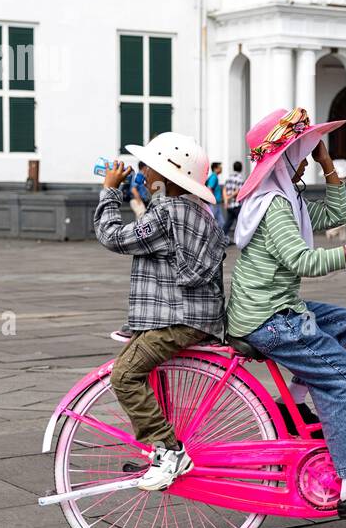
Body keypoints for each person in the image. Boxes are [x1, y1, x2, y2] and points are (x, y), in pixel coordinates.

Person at [225, 107, 346, 519]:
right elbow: (303, 261)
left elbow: (336, 217)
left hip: (278, 308)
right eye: (302, 152)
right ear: (285, 158)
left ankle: (292, 408)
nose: (307, 158)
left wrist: (329, 167)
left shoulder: (288, 198)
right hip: (269, 320)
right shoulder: (274, 205)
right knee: (345, 378)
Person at [94, 132, 226, 492]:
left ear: (164, 176)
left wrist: (110, 191)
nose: (141, 171)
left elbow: (113, 237)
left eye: (146, 167)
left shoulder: (167, 212)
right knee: (147, 373)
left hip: (178, 318)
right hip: (194, 315)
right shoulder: (196, 209)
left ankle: (170, 450)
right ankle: (161, 448)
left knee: (124, 375)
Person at [223, 160, 246, 236]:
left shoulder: (229, 178)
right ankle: (241, 238)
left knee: (228, 223)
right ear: (241, 168)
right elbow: (238, 192)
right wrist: (230, 197)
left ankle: (221, 238)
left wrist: (226, 201)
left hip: (229, 205)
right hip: (237, 205)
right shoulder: (240, 179)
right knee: (240, 223)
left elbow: (224, 189)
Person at [206, 161, 226, 232]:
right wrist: (212, 199)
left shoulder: (214, 176)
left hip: (216, 203)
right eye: (220, 167)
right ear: (215, 168)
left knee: (221, 222)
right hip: (214, 204)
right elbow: (209, 188)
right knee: (214, 222)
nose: (221, 169)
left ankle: (219, 239)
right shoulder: (214, 177)